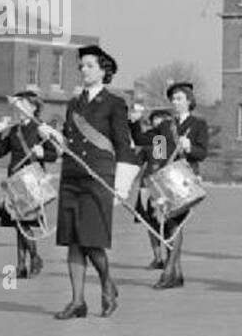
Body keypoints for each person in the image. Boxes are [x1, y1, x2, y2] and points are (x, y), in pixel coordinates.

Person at [37, 44, 139, 319]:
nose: (83, 70)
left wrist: (122, 186)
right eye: (81, 66)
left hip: (98, 177)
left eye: (89, 65)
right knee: (73, 240)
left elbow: (124, 146)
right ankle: (78, 301)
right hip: (72, 175)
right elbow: (71, 143)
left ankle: (107, 283)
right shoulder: (73, 104)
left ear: (104, 70)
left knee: (92, 240)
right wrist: (53, 136)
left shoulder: (115, 103)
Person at [134, 82, 209, 289]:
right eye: (173, 99)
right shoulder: (166, 126)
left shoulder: (198, 125)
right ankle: (177, 274)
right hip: (167, 180)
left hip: (185, 180)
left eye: (179, 99)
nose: (175, 103)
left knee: (175, 224)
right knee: (168, 225)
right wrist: (135, 121)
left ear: (189, 101)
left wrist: (190, 147)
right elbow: (151, 147)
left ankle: (169, 272)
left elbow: (202, 153)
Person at [0, 89, 58, 278]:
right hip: (15, 179)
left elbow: (54, 154)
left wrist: (42, 154)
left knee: (24, 221)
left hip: (32, 180)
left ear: (34, 107)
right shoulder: (15, 128)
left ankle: (34, 259)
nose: (19, 107)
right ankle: (22, 264)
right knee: (18, 224)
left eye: (23, 103)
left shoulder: (41, 127)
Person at [130, 105, 173, 270]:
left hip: (162, 186)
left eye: (160, 119)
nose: (156, 123)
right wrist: (134, 122)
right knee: (149, 223)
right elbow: (138, 141)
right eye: (154, 119)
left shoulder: (165, 138)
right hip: (147, 185)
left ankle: (168, 257)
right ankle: (157, 257)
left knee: (165, 224)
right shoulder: (153, 138)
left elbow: (159, 161)